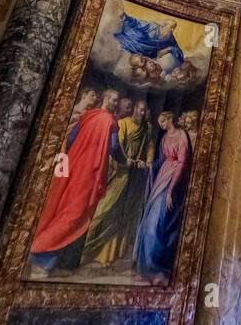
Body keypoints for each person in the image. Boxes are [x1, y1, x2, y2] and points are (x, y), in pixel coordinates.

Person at [30, 89, 126, 273]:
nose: (115, 103)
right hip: (90, 172)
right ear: (105, 99)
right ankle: (40, 253)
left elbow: (72, 139)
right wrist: (125, 161)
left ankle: (61, 262)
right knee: (75, 213)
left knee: (64, 207)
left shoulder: (88, 116)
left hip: (74, 165)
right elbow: (114, 148)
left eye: (117, 100)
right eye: (113, 99)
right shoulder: (109, 121)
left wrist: (73, 158)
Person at [81, 100, 154, 269]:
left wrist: (148, 161)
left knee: (125, 212)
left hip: (135, 176)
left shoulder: (148, 128)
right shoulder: (123, 123)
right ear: (135, 109)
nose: (142, 113)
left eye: (145, 111)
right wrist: (127, 162)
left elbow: (150, 145)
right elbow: (116, 148)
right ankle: (85, 248)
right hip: (120, 172)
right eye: (140, 110)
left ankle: (110, 255)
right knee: (105, 208)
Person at [133, 110, 193, 282]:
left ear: (170, 119)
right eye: (160, 122)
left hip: (173, 178)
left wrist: (170, 190)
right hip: (162, 177)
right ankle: (146, 268)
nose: (161, 125)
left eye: (163, 121)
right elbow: (161, 159)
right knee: (148, 222)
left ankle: (155, 267)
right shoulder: (165, 138)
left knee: (156, 223)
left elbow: (182, 162)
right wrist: (150, 165)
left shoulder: (181, 136)